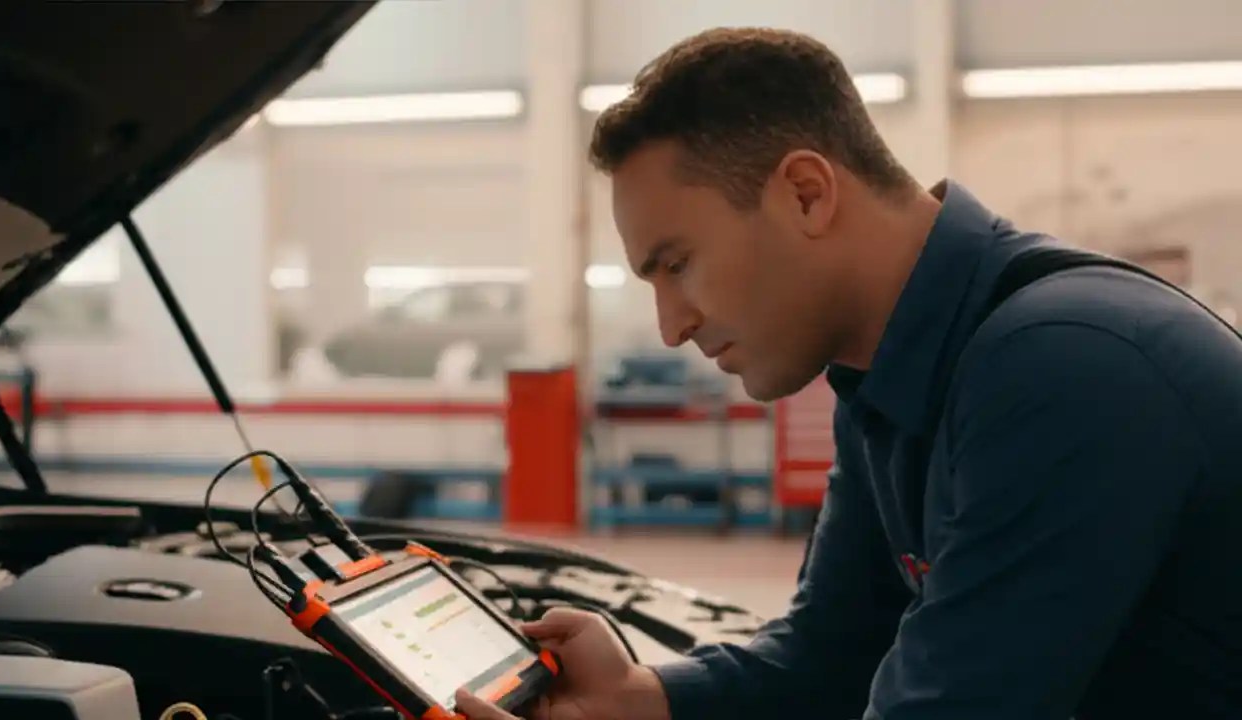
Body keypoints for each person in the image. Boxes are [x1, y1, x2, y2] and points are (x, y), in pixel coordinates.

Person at [457, 26, 1242, 720]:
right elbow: (835, 656)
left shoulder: (1064, 366)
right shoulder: (890, 379)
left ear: (806, 194)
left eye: (677, 264)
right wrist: (646, 699)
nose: (672, 326)